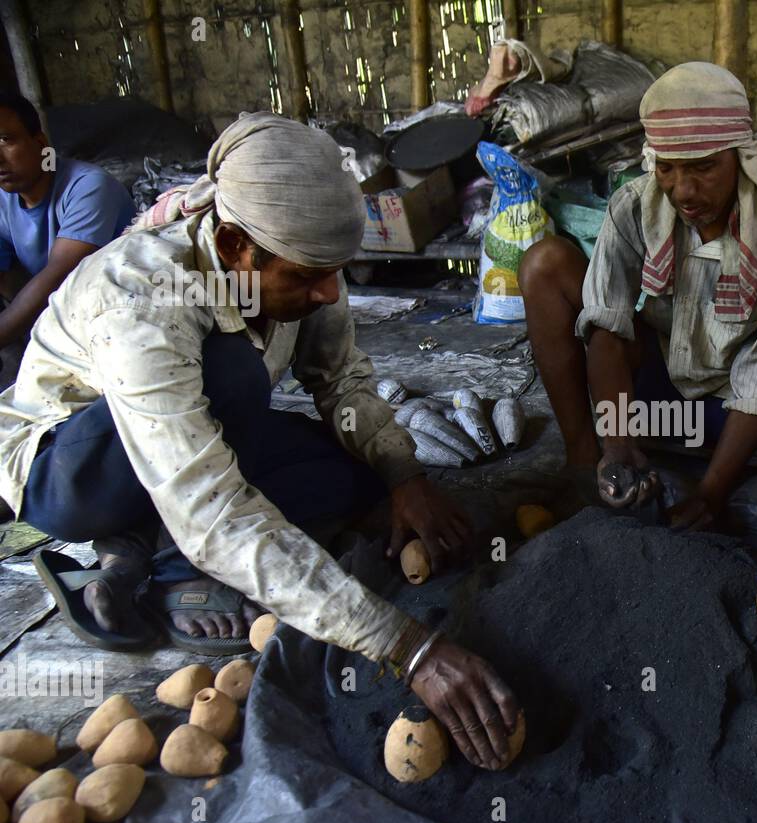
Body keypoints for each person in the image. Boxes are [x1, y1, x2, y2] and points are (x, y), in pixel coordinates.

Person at [0, 112, 518, 769]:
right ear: (234, 246)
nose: (329, 292)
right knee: (234, 374)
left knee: (349, 477)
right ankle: (162, 565)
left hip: (194, 431)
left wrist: (403, 476)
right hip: (67, 469)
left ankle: (141, 544)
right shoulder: (141, 303)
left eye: (335, 273)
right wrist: (407, 647)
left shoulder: (300, 258)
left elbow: (342, 383)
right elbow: (212, 507)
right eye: (306, 278)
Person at [520, 62, 757, 529]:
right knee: (543, 263)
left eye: (704, 168)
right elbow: (607, 324)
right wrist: (617, 443)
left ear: (742, 156)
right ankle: (583, 463)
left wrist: (712, 494)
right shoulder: (635, 205)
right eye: (668, 169)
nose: (684, 191)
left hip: (756, 413)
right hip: (662, 408)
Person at [0, 91, 135, 389]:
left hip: (114, 320)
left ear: (39, 144)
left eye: (5, 140)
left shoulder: (87, 187)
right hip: (49, 318)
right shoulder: (3, 199)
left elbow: (58, 276)